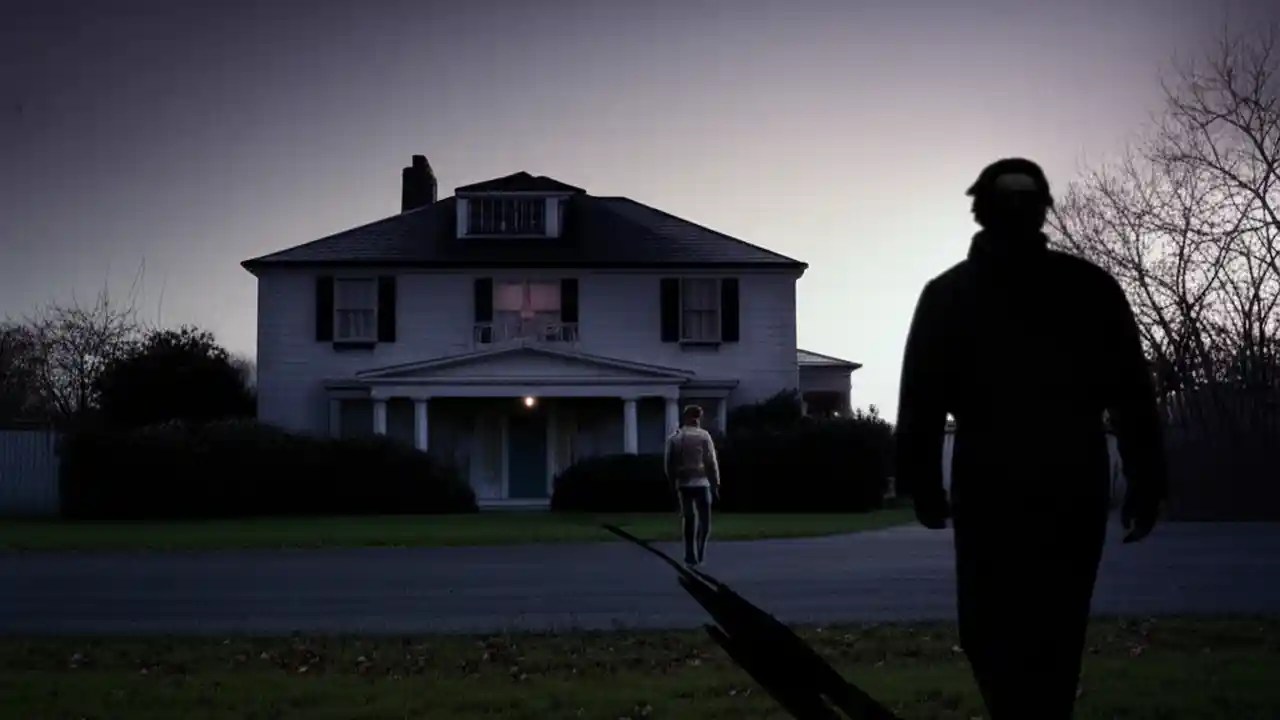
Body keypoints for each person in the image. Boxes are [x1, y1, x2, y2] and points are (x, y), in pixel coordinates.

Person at [894, 158, 1168, 719]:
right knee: (1021, 630)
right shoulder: (1076, 288)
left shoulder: (1076, 289)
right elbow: (920, 399)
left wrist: (1147, 480)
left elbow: (1132, 393)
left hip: (1035, 482)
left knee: (1040, 629)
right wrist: (920, 480)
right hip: (1037, 481)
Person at [664, 404, 721, 567]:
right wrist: (715, 484)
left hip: (684, 482)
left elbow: (669, 463)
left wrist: (671, 482)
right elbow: (711, 462)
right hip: (701, 482)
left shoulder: (676, 438)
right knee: (704, 520)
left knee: (689, 518)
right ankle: (700, 550)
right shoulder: (704, 436)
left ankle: (690, 552)